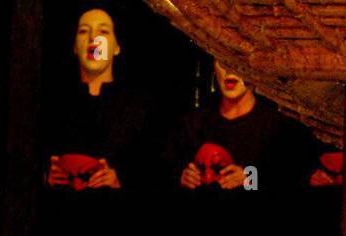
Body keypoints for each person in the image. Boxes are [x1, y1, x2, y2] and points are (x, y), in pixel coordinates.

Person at [43, 8, 149, 192]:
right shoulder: (51, 104)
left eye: (103, 31)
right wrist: (45, 175)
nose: (93, 38)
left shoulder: (138, 108)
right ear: (75, 46)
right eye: (84, 31)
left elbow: (153, 172)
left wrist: (120, 178)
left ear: (117, 46)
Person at [171, 59, 308, 191]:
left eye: (237, 61)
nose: (230, 70)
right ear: (214, 65)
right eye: (223, 61)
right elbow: (166, 168)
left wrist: (251, 178)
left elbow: (293, 176)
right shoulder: (194, 122)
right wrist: (182, 176)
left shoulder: (275, 125)